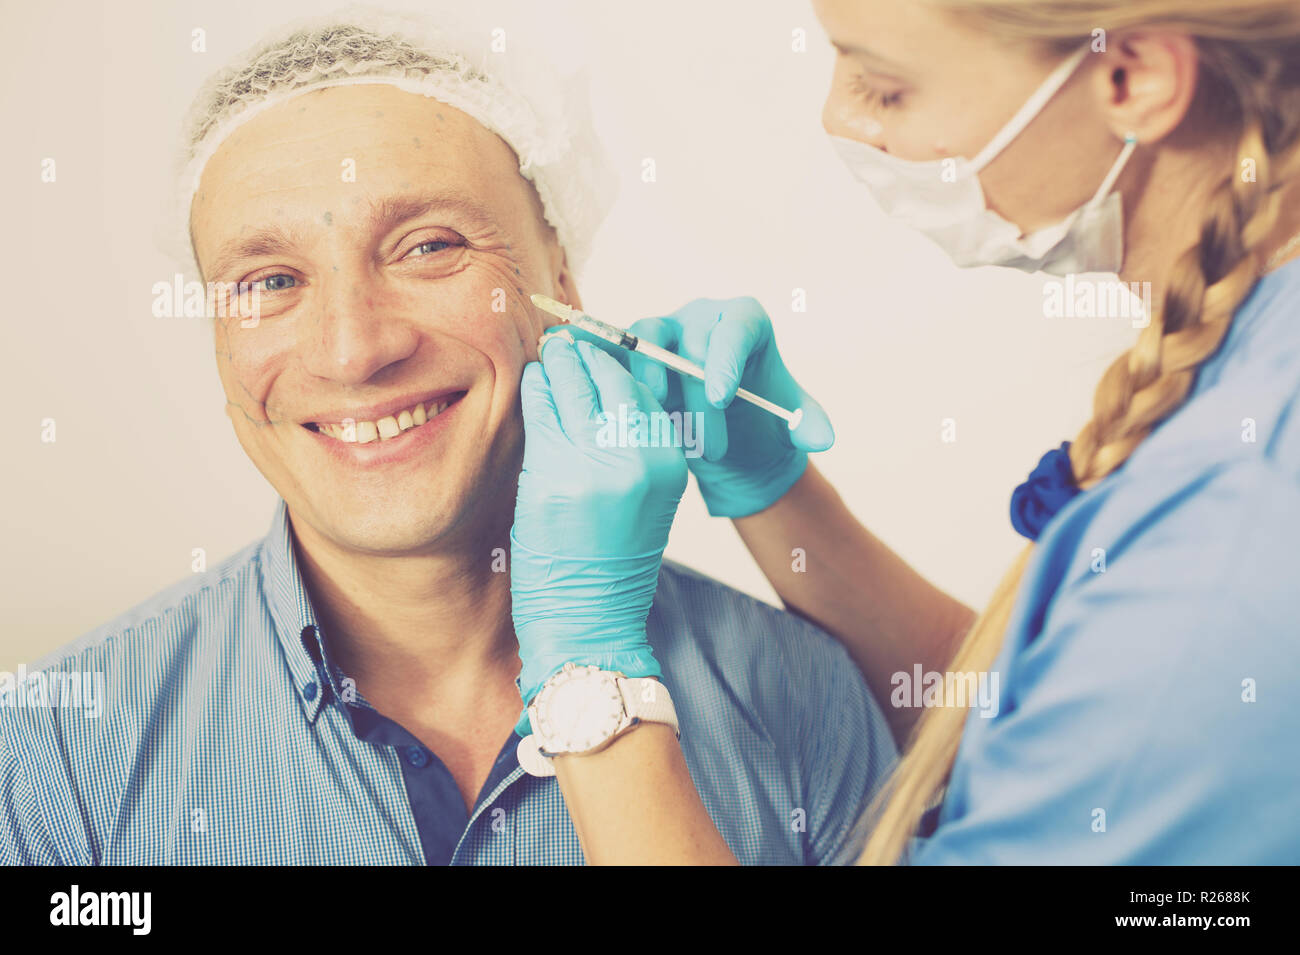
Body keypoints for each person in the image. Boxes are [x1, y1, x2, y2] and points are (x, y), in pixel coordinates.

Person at [0, 9, 896, 866]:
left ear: (563, 285)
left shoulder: (804, 699)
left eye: (428, 247)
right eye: (269, 279)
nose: (354, 350)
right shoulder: (57, 754)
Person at [512, 0, 1300, 864]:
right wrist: (776, 493)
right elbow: (1052, 732)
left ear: (1133, 76)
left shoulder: (1235, 531)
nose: (836, 120)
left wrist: (587, 683)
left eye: (884, 88)